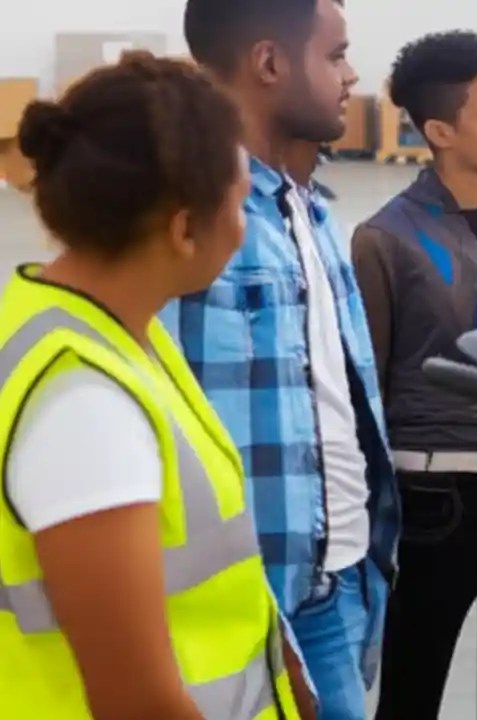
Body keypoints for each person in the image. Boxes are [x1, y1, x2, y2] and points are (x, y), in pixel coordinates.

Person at [0, 52, 311, 720]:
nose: (246, 224)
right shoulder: (82, 407)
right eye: (239, 202)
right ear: (183, 228)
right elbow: (137, 703)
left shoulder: (106, 330)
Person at [166, 2, 400, 718]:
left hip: (336, 584)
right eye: (335, 56)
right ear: (269, 64)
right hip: (244, 599)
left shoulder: (309, 209)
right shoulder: (187, 211)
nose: (352, 75)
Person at [349, 30, 477, 720]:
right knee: (413, 689)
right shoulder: (385, 239)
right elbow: (368, 391)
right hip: (436, 501)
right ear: (440, 131)